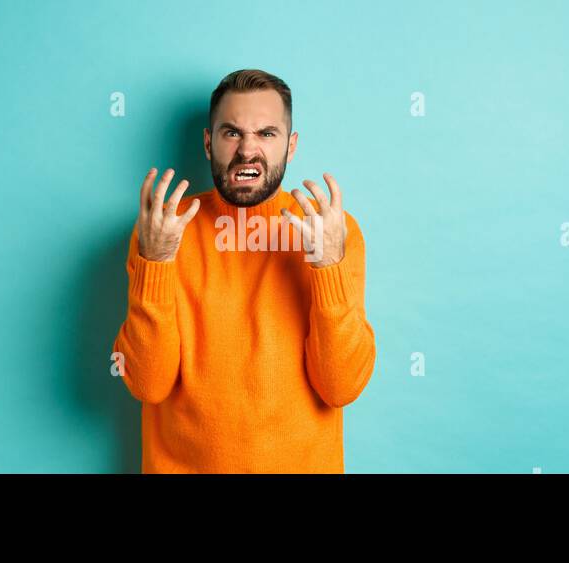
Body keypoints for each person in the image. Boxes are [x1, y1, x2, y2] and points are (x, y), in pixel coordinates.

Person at [112, 69, 377, 473]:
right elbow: (147, 383)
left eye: (267, 134)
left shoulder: (333, 232)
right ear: (208, 142)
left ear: (290, 147)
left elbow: (341, 386)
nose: (247, 150)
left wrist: (328, 266)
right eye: (232, 133)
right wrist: (156, 262)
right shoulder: (163, 229)